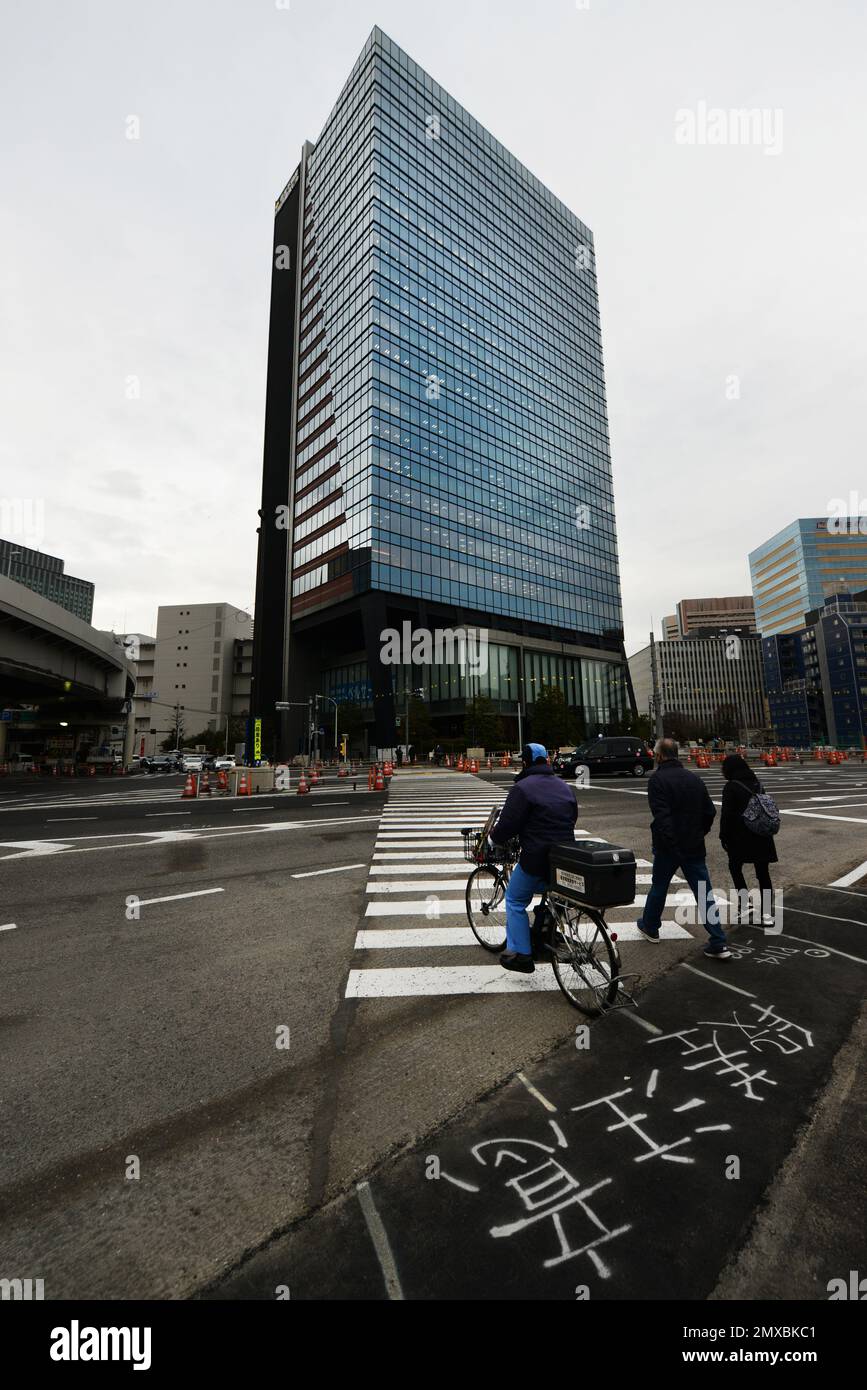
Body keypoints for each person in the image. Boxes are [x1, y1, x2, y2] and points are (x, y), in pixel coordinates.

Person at [637, 737, 730, 959]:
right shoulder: (694, 778)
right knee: (703, 892)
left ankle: (650, 926)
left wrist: (671, 842)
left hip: (668, 847)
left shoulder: (657, 780)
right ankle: (718, 940)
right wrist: (698, 833)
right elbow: (709, 812)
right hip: (694, 845)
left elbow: (662, 817)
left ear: (659, 756)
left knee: (659, 886)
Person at [489, 742, 578, 974]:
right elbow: (571, 817)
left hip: (537, 857)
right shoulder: (564, 786)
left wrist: (492, 839)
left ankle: (522, 954)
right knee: (552, 891)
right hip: (567, 857)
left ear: (526, 762)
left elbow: (507, 825)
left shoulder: (523, 788)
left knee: (515, 900)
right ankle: (547, 934)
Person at [719, 753, 778, 926]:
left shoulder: (731, 787)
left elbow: (727, 815)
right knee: (763, 873)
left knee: (735, 867)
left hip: (740, 835)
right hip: (761, 834)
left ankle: (745, 905)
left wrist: (724, 836)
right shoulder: (757, 784)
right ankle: (767, 914)